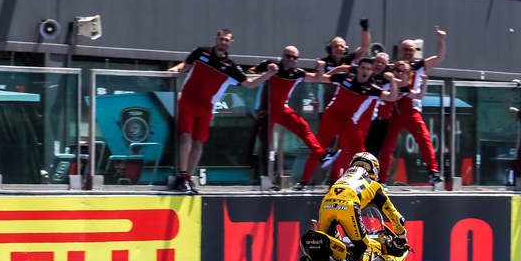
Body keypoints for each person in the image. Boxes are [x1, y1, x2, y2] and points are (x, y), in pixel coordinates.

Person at [168, 29, 277, 193]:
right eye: (221, 39)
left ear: (230, 43)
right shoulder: (201, 52)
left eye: (226, 40)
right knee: (185, 137)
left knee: (198, 143)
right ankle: (182, 176)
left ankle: (189, 178)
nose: (223, 42)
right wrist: (175, 70)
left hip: (206, 107)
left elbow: (249, 84)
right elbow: (186, 64)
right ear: (216, 39)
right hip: (188, 100)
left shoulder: (231, 67)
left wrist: (269, 74)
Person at [316, 152, 406, 261]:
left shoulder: (343, 178)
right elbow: (394, 215)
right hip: (349, 206)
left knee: (328, 247)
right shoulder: (374, 185)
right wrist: (401, 233)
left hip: (325, 206)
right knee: (364, 246)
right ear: (374, 169)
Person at [298, 57, 399, 187]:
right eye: (363, 68)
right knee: (318, 149)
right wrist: (321, 67)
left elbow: (392, 97)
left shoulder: (372, 88)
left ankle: (363, 182)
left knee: (359, 152)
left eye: (368, 69)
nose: (365, 71)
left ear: (371, 72)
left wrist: (391, 80)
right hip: (331, 117)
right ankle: (303, 182)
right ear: (358, 69)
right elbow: (321, 79)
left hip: (348, 121)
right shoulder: (343, 78)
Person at [378, 26, 447, 187]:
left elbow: (439, 57)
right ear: (400, 50)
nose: (408, 52)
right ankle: (382, 179)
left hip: (412, 109)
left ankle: (433, 172)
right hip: (395, 108)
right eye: (405, 49)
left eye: (411, 50)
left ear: (415, 51)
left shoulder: (418, 65)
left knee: (424, 138)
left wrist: (441, 39)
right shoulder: (392, 67)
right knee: (388, 145)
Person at [249, 45, 325, 186]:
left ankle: (322, 155)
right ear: (283, 56)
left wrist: (320, 68)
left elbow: (316, 79)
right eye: (288, 56)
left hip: (282, 108)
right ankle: (266, 180)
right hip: (267, 109)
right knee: (266, 144)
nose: (291, 60)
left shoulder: (297, 73)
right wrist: (268, 71)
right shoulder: (271, 65)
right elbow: (250, 73)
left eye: (294, 58)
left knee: (302, 126)